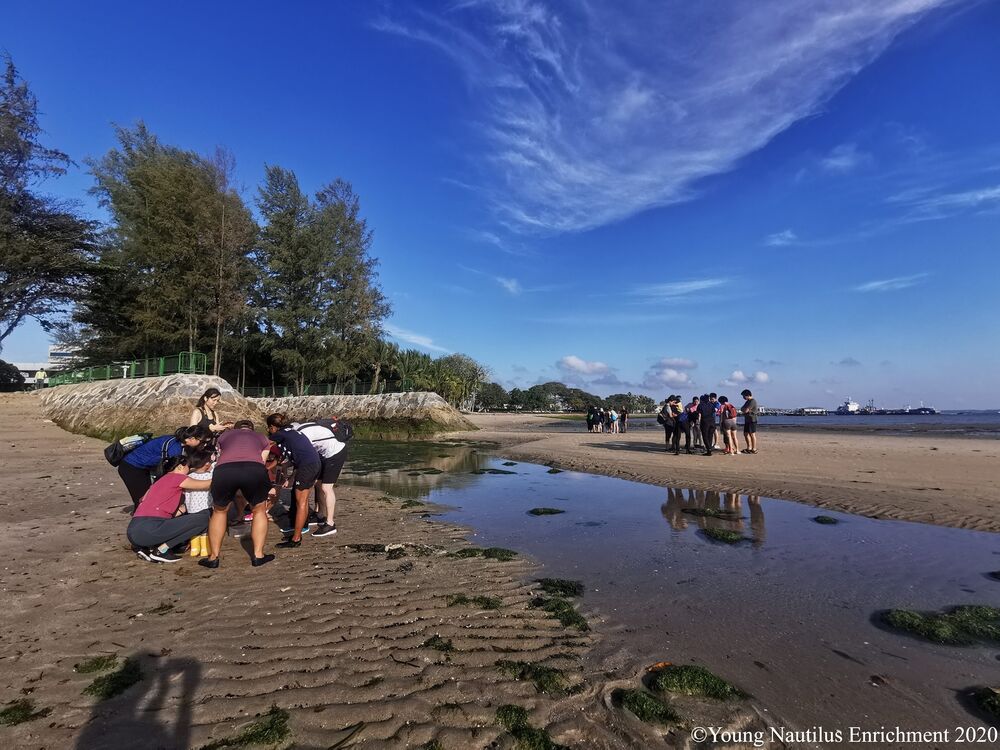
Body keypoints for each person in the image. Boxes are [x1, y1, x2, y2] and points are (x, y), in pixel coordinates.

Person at [200, 420, 274, 568]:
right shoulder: (261, 437)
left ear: (236, 428)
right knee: (259, 510)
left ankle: (213, 558)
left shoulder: (224, 436)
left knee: (219, 511)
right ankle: (258, 555)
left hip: (225, 470)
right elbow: (262, 460)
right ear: (251, 429)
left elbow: (218, 455)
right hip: (254, 469)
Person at [127, 454, 212, 563]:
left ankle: (148, 547)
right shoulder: (177, 478)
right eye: (188, 467)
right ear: (180, 467)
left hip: (134, 530)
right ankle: (161, 551)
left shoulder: (159, 481)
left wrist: (183, 509)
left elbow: (144, 501)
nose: (190, 470)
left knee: (183, 521)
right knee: (203, 519)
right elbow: (206, 485)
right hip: (148, 529)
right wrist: (224, 474)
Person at [266, 413, 322, 548]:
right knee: (301, 501)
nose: (268, 431)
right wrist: (289, 477)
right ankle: (297, 533)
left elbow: (264, 443)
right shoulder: (292, 432)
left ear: (273, 427)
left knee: (301, 502)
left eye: (269, 428)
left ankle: (296, 539)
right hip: (314, 464)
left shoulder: (280, 434)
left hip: (307, 467)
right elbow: (294, 457)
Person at [118, 426, 209, 508]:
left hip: (142, 468)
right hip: (131, 467)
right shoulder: (174, 448)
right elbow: (173, 471)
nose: (204, 445)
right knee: (142, 499)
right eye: (202, 441)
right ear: (191, 439)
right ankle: (140, 521)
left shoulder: (178, 442)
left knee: (149, 496)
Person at [289, 419, 348, 537]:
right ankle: (320, 515)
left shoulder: (302, 436)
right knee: (318, 483)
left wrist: (292, 477)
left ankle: (330, 523)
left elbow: (304, 458)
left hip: (335, 453)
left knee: (327, 487)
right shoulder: (302, 429)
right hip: (324, 454)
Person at [184, 452, 215, 557]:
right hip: (205, 507)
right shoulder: (210, 476)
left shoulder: (189, 476)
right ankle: (205, 549)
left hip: (191, 508)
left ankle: (195, 549)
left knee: (194, 529)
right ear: (206, 464)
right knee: (206, 529)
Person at [740, 388, 760, 454]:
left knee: (752, 434)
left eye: (743, 396)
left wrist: (745, 410)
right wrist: (745, 410)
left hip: (752, 420)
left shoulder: (752, 401)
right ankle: (749, 447)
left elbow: (745, 410)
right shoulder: (747, 401)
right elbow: (742, 408)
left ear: (747, 395)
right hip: (747, 420)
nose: (743, 397)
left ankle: (754, 449)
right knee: (745, 434)